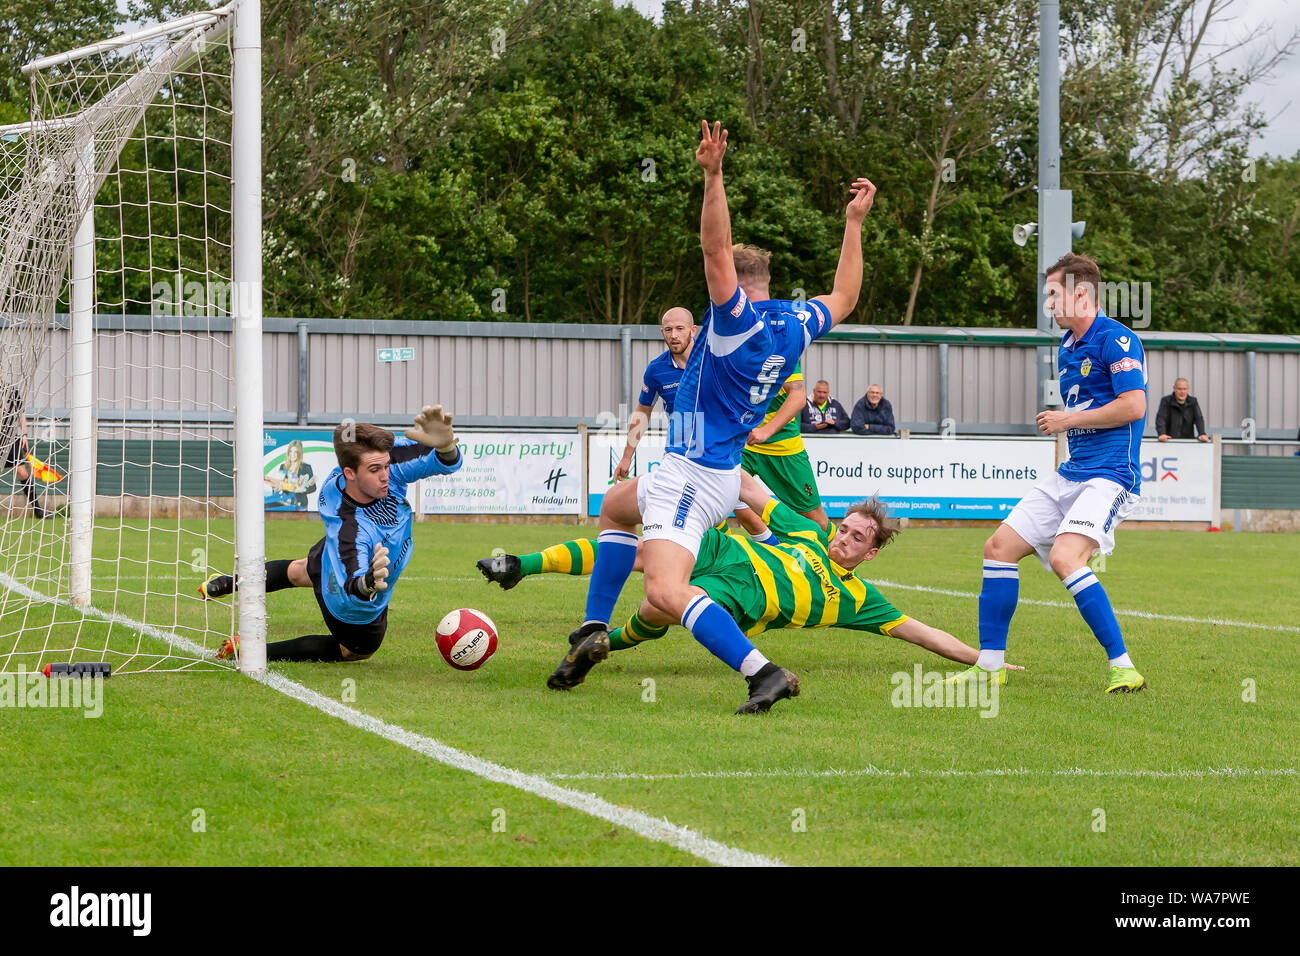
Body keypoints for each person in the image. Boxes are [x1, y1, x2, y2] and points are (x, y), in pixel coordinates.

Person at [555, 118, 875, 714]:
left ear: (738, 290)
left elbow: (713, 247)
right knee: (617, 504)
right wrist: (853, 225)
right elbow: (846, 296)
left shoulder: (736, 324)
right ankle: (592, 625)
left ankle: (763, 672)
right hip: (720, 470)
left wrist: (714, 175)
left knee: (665, 589)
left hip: (693, 473)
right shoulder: (793, 324)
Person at [479, 472, 1022, 690]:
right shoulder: (808, 533)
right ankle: (519, 567)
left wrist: (983, 659)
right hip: (724, 549)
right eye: (845, 530)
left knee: (656, 609)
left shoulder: (859, 599)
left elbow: (920, 633)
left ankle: (599, 646)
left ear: (873, 553)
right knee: (641, 554)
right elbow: (752, 490)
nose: (843, 541)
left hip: (739, 597)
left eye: (857, 539)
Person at [950, 252, 1148, 695]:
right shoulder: (1068, 345)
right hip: (1072, 472)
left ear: (1082, 293)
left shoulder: (1116, 339)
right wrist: (1068, 422)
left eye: (1054, 294)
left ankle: (1123, 667)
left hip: (1110, 474)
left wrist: (1065, 420)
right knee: (998, 547)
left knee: (1064, 558)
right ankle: (990, 666)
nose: (1049, 304)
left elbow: (1134, 406)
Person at [204, 407, 461, 663]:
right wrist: (367, 582)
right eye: (375, 470)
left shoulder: (379, 462)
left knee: (299, 571)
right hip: (348, 601)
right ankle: (252, 651)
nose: (386, 475)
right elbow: (354, 581)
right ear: (350, 473)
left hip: (328, 559)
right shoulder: (348, 527)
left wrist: (445, 447)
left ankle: (228, 582)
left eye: (386, 466)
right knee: (354, 651)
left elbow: (441, 461)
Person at [741, 359, 831, 530]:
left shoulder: (783, 346)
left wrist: (766, 431)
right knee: (731, 504)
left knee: (817, 522)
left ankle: (833, 554)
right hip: (742, 445)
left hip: (783, 447)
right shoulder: (729, 345)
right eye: (671, 329)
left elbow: (798, 398)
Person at [612, 307, 696, 482]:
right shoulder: (656, 370)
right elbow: (642, 413)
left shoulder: (714, 360)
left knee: (739, 505)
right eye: (668, 329)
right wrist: (627, 458)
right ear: (662, 332)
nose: (673, 335)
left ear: (693, 330)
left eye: (680, 328)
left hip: (719, 450)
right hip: (678, 452)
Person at [0, 372, 47, 519]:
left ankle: (38, 510)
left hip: (9, 438)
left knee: (23, 473)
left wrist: (24, 434)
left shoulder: (11, 391)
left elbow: (20, 413)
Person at [264, 439, 318, 510]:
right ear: (288, 453)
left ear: (300, 453)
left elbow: (313, 487)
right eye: (291, 451)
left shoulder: (306, 467)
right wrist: (277, 488)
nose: (293, 454)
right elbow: (278, 486)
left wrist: (302, 489)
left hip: (301, 505)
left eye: (296, 452)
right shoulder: (283, 467)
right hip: (285, 504)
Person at [1155, 378, 1209, 442]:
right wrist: (1161, 433)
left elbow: (1198, 418)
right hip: (1169, 441)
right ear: (1174, 388)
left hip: (1188, 441)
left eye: (1184, 389)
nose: (1182, 392)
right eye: (1179, 389)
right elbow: (1161, 418)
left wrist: (1202, 433)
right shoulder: (1166, 401)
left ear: (1188, 389)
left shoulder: (1193, 402)